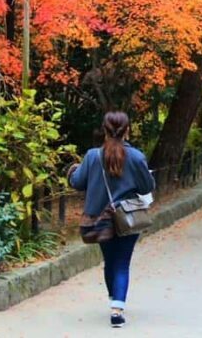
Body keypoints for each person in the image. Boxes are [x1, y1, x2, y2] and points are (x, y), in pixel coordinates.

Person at [68, 112, 156, 328]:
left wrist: (71, 171)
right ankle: (117, 309)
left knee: (110, 260)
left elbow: (78, 182)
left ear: (105, 130)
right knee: (123, 262)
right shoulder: (136, 157)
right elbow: (147, 187)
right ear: (127, 130)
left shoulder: (92, 156)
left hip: (100, 218)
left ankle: (114, 300)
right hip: (128, 218)